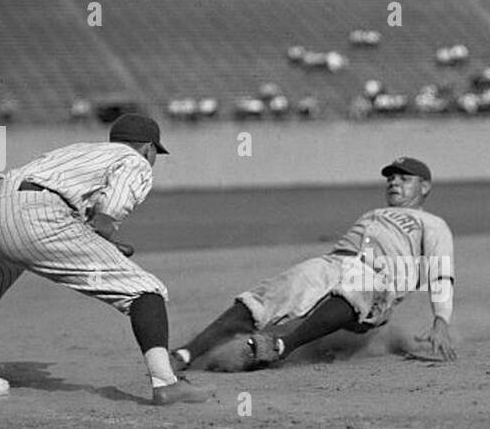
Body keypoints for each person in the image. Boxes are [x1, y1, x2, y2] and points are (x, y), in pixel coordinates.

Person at [0, 114, 211, 405]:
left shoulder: (82, 152)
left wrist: (99, 238)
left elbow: (87, 219)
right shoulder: (135, 160)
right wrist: (107, 239)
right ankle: (165, 383)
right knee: (145, 290)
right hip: (35, 217)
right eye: (155, 154)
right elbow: (108, 215)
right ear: (149, 148)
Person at [174, 157, 456, 371]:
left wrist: (441, 320)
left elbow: (441, 271)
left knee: (359, 286)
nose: (393, 182)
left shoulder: (433, 224)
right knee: (270, 293)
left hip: (379, 281)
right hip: (335, 262)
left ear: (425, 186)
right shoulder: (374, 213)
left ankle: (283, 346)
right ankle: (187, 353)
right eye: (390, 178)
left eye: (404, 178)